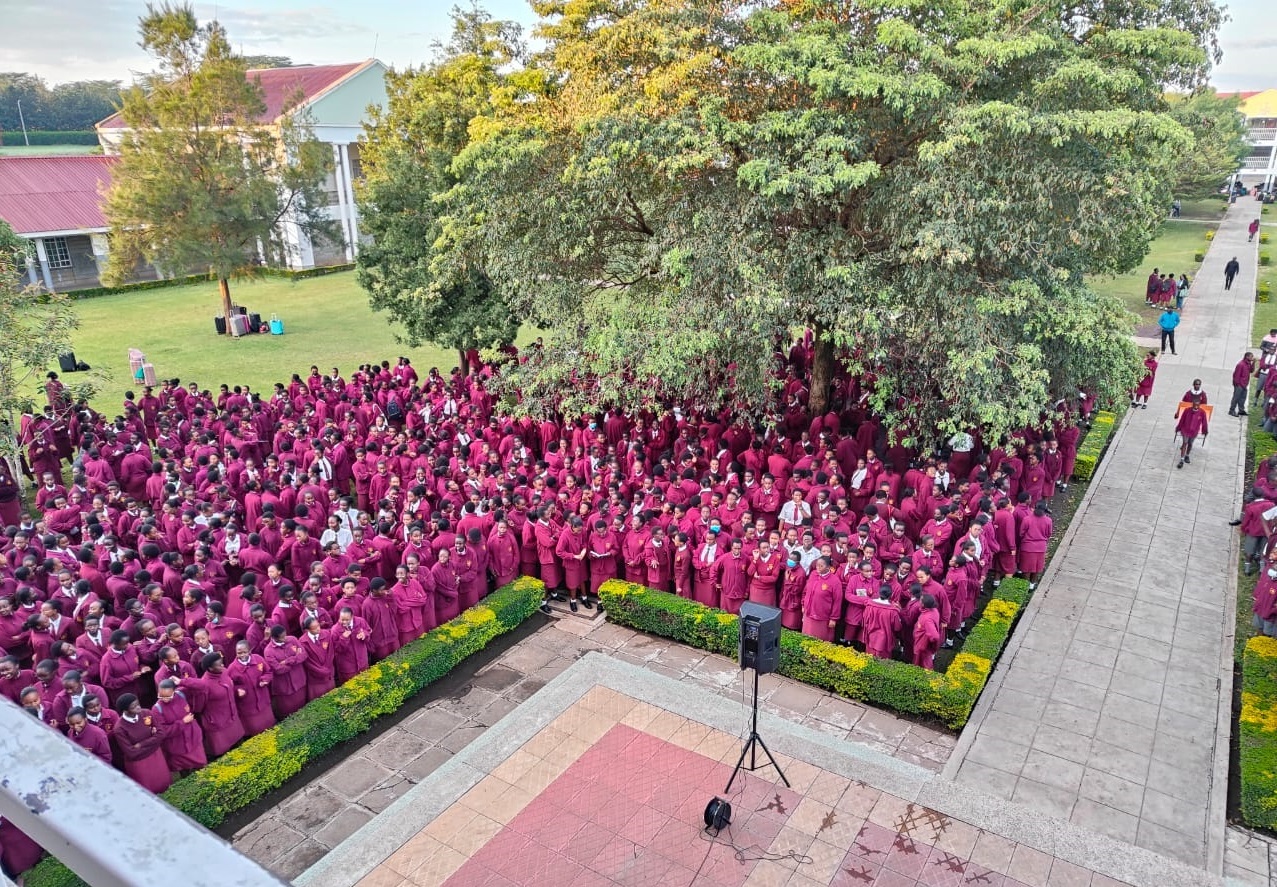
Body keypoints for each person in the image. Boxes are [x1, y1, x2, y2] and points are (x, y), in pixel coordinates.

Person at [1175, 399, 1209, 469]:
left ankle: (1187, 455)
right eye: (1195, 405)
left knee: (1190, 444)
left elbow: (1204, 422)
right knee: (1185, 443)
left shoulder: (1202, 412)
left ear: (1199, 405)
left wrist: (1205, 430)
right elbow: (1182, 419)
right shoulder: (1187, 410)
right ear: (1192, 404)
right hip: (1185, 430)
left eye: (1197, 405)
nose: (1196, 406)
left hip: (1194, 431)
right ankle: (1182, 459)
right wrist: (1178, 427)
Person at [1230, 352, 1256, 417]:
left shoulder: (1248, 363)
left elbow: (1251, 371)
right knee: (1236, 398)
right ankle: (1231, 410)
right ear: (1247, 357)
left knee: (1243, 398)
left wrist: (1253, 363)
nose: (1252, 358)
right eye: (1251, 356)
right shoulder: (1240, 364)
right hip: (1239, 385)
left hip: (1244, 384)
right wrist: (1237, 384)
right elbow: (1236, 375)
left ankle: (1241, 410)